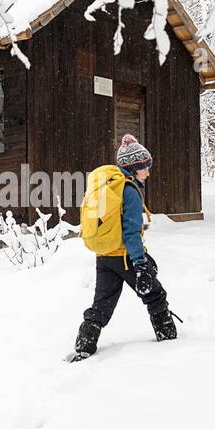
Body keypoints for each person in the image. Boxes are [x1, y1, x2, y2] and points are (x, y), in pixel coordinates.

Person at [68, 134, 179, 361]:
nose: (148, 172)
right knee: (155, 295)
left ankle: (84, 346)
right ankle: (169, 341)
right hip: (125, 257)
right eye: (145, 168)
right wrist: (140, 264)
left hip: (104, 256)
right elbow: (131, 232)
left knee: (101, 305)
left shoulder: (108, 186)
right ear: (135, 167)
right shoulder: (129, 191)